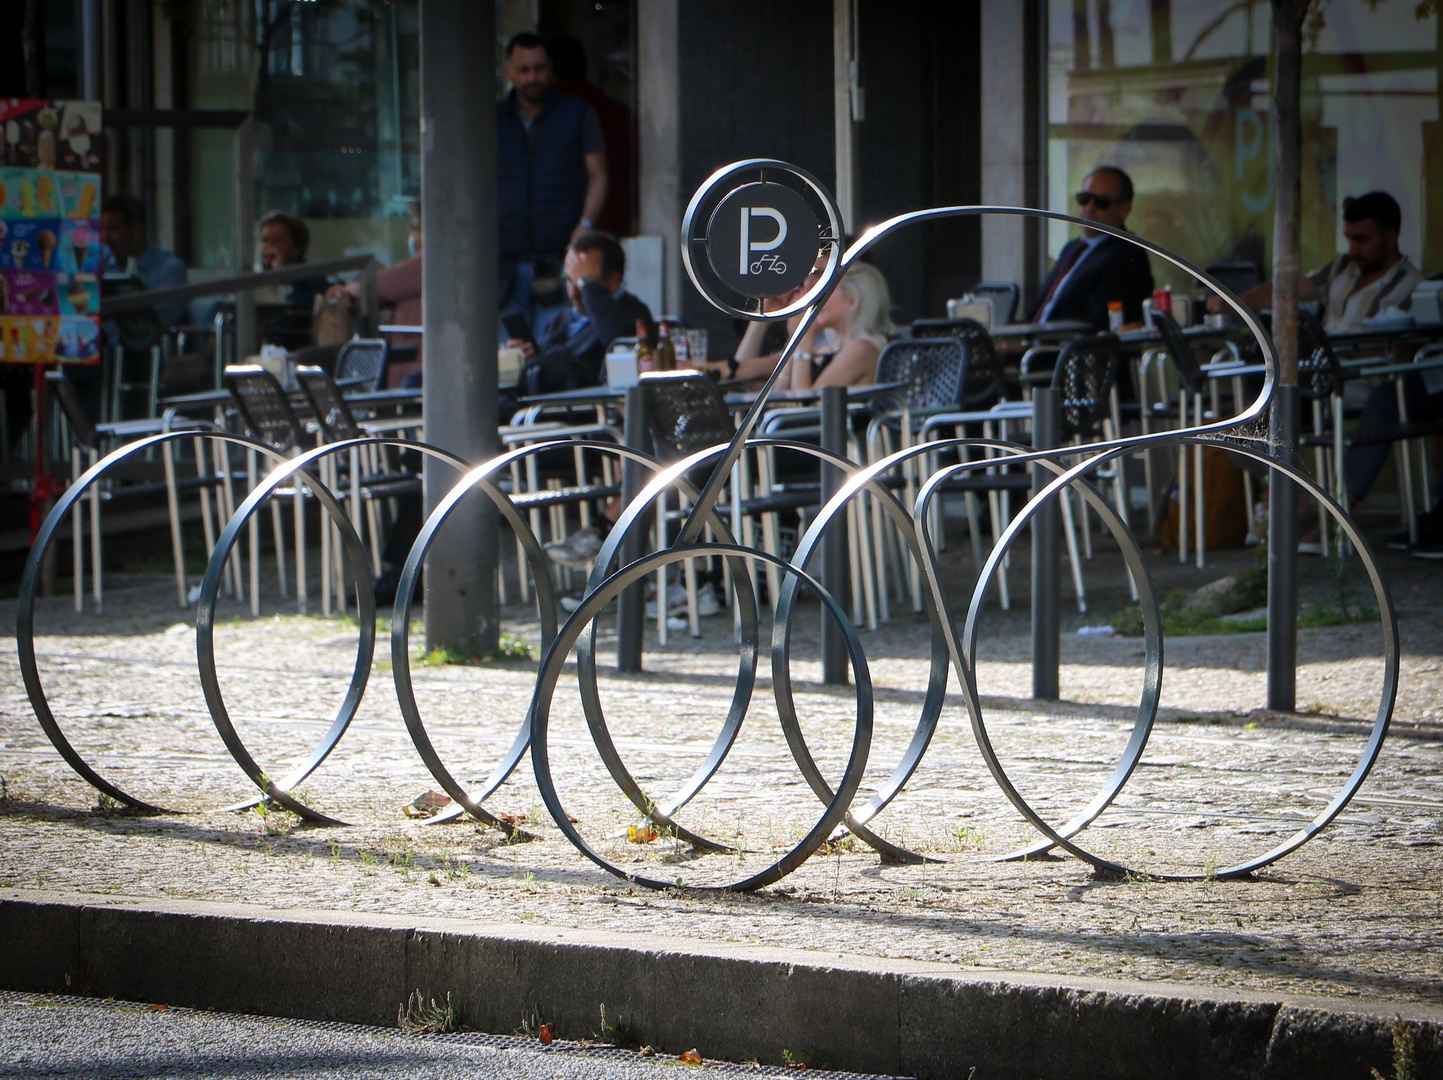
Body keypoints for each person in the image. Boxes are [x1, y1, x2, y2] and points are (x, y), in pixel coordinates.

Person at [498, 32, 607, 340]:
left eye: (539, 68)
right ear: (508, 73)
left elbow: (599, 175)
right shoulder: (492, 120)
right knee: (509, 361)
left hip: (559, 256)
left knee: (555, 351)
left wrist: (585, 225)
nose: (533, 77)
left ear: (550, 69)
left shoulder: (577, 114)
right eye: (524, 70)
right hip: (504, 263)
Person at [1219, 191, 1423, 333]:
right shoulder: (1342, 267)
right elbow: (1288, 289)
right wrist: (1235, 303)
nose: (1352, 249)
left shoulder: (1414, 288)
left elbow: (1403, 354)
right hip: (1322, 376)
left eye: (1361, 240)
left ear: (1391, 238)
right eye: (1349, 239)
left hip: (1366, 382)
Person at [508, 230, 655, 395]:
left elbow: (617, 339)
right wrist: (532, 361)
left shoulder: (631, 314)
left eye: (582, 281)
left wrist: (590, 287)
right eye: (569, 280)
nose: (573, 292)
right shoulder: (560, 321)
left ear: (613, 281)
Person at [1030, 165, 1153, 328]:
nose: (1089, 207)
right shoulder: (1072, 248)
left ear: (1124, 209)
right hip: (1032, 343)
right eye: (1084, 198)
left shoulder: (1125, 255)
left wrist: (1027, 343)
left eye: (1101, 202)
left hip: (1063, 349)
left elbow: (1097, 325)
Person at [325, 200, 423, 386]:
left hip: (417, 364)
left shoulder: (432, 260)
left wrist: (349, 290)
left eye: (417, 227)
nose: (413, 235)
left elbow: (386, 283)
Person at [100, 193, 187, 328]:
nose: (105, 238)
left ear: (136, 229)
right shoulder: (101, 261)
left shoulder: (170, 270)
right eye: (102, 229)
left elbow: (160, 323)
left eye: (114, 229)